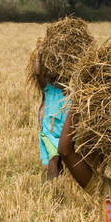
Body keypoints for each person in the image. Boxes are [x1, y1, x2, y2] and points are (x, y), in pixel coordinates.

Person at [34, 52, 71, 181]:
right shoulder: (48, 88)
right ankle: (51, 187)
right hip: (49, 133)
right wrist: (39, 56)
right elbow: (38, 74)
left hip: (65, 134)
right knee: (54, 157)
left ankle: (59, 184)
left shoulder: (71, 92)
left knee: (62, 160)